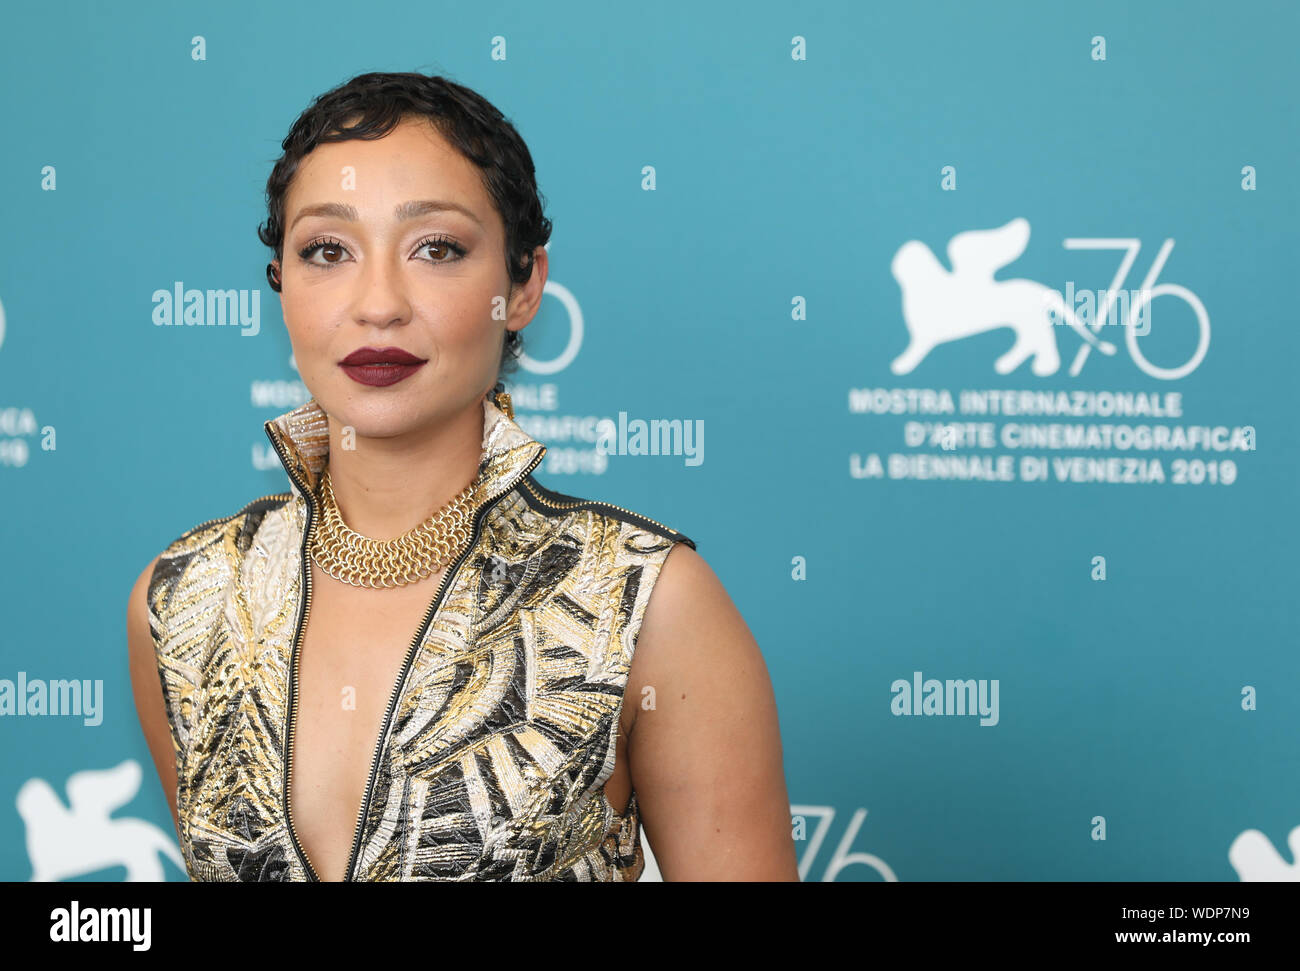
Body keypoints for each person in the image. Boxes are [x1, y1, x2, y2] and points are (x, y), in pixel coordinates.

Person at [126, 71, 798, 881]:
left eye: (436, 248)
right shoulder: (186, 598)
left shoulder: (645, 602)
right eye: (327, 251)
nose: (378, 304)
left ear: (524, 286)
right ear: (282, 285)